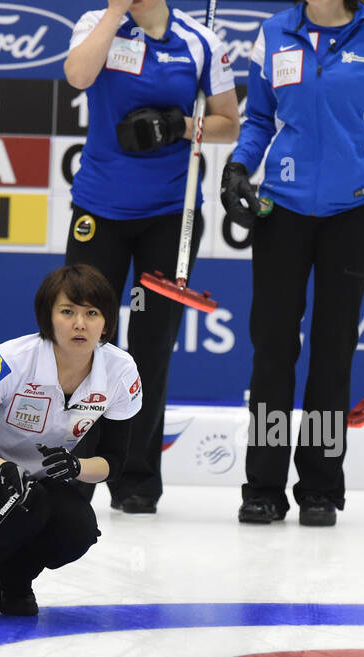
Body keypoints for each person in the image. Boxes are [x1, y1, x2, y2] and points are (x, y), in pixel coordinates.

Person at [221, 0, 364, 527]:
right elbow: (259, 118)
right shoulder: (274, 32)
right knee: (272, 352)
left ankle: (320, 488)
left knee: (332, 355)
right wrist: (239, 166)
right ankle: (262, 486)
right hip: (280, 211)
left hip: (353, 214)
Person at [61, 0, 238, 514]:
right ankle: (75, 472)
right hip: (99, 210)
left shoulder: (200, 41)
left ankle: (136, 479)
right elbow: (76, 75)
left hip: (170, 215)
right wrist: (117, 12)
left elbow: (229, 121)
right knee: (83, 339)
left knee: (151, 344)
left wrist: (179, 126)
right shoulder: (98, 23)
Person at [0, 265, 141, 617]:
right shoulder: (12, 360)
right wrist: (2, 467)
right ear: (47, 317)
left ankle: (12, 577)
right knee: (31, 503)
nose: (80, 324)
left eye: (92, 313)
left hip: (35, 482)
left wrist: (76, 466)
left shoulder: (121, 371)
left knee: (78, 527)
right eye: (67, 311)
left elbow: (114, 462)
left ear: (107, 322)